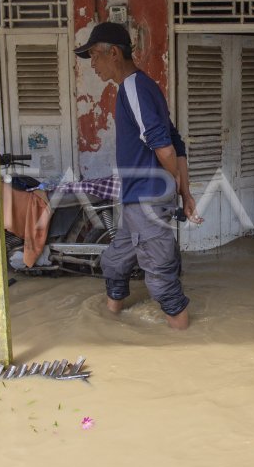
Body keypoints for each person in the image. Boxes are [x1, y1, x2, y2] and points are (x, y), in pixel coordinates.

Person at [75, 21, 200, 330]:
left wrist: (173, 184)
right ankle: (109, 320)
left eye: (95, 56)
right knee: (115, 261)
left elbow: (166, 148)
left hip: (147, 198)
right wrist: (184, 192)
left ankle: (187, 345)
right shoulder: (143, 87)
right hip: (136, 200)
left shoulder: (133, 88)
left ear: (114, 53)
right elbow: (176, 141)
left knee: (161, 279)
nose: (93, 65)